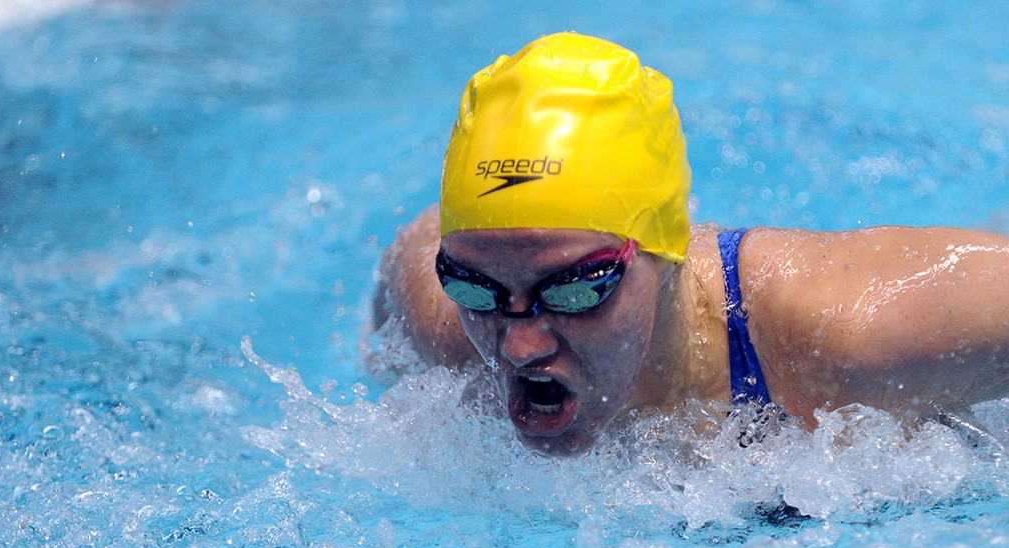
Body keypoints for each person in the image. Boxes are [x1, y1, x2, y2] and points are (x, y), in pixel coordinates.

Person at [372, 32, 1009, 456]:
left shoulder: (846, 331)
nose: (518, 343)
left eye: (574, 289)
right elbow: (403, 272)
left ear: (666, 245)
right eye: (473, 286)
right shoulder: (447, 328)